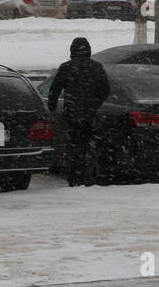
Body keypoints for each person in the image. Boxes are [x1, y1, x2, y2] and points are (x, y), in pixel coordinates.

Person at [47, 37, 111, 186]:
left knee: (74, 144)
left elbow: (55, 89)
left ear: (72, 51)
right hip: (89, 113)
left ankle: (75, 175)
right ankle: (87, 175)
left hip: (72, 111)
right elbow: (105, 90)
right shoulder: (96, 67)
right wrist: (95, 104)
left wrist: (52, 107)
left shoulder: (66, 67)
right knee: (87, 144)